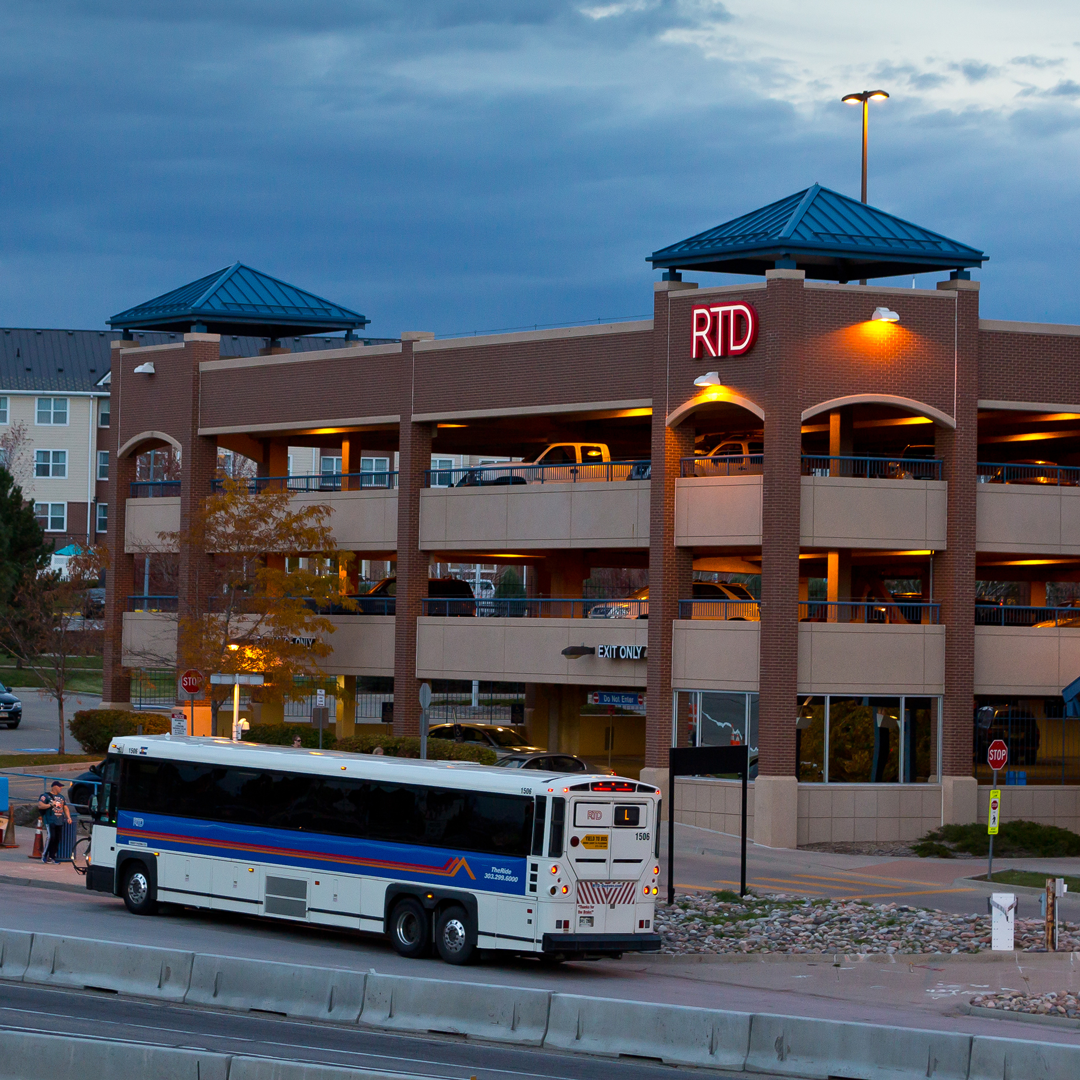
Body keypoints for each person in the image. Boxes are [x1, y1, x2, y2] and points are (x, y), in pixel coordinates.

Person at [41, 781, 72, 864]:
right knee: (51, 837)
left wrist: (68, 817)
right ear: (54, 786)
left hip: (59, 821)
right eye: (59, 786)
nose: (61, 788)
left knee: (57, 839)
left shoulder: (61, 797)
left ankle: (52, 856)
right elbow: (40, 805)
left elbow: (65, 807)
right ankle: (45, 855)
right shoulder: (46, 796)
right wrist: (50, 805)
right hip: (50, 820)